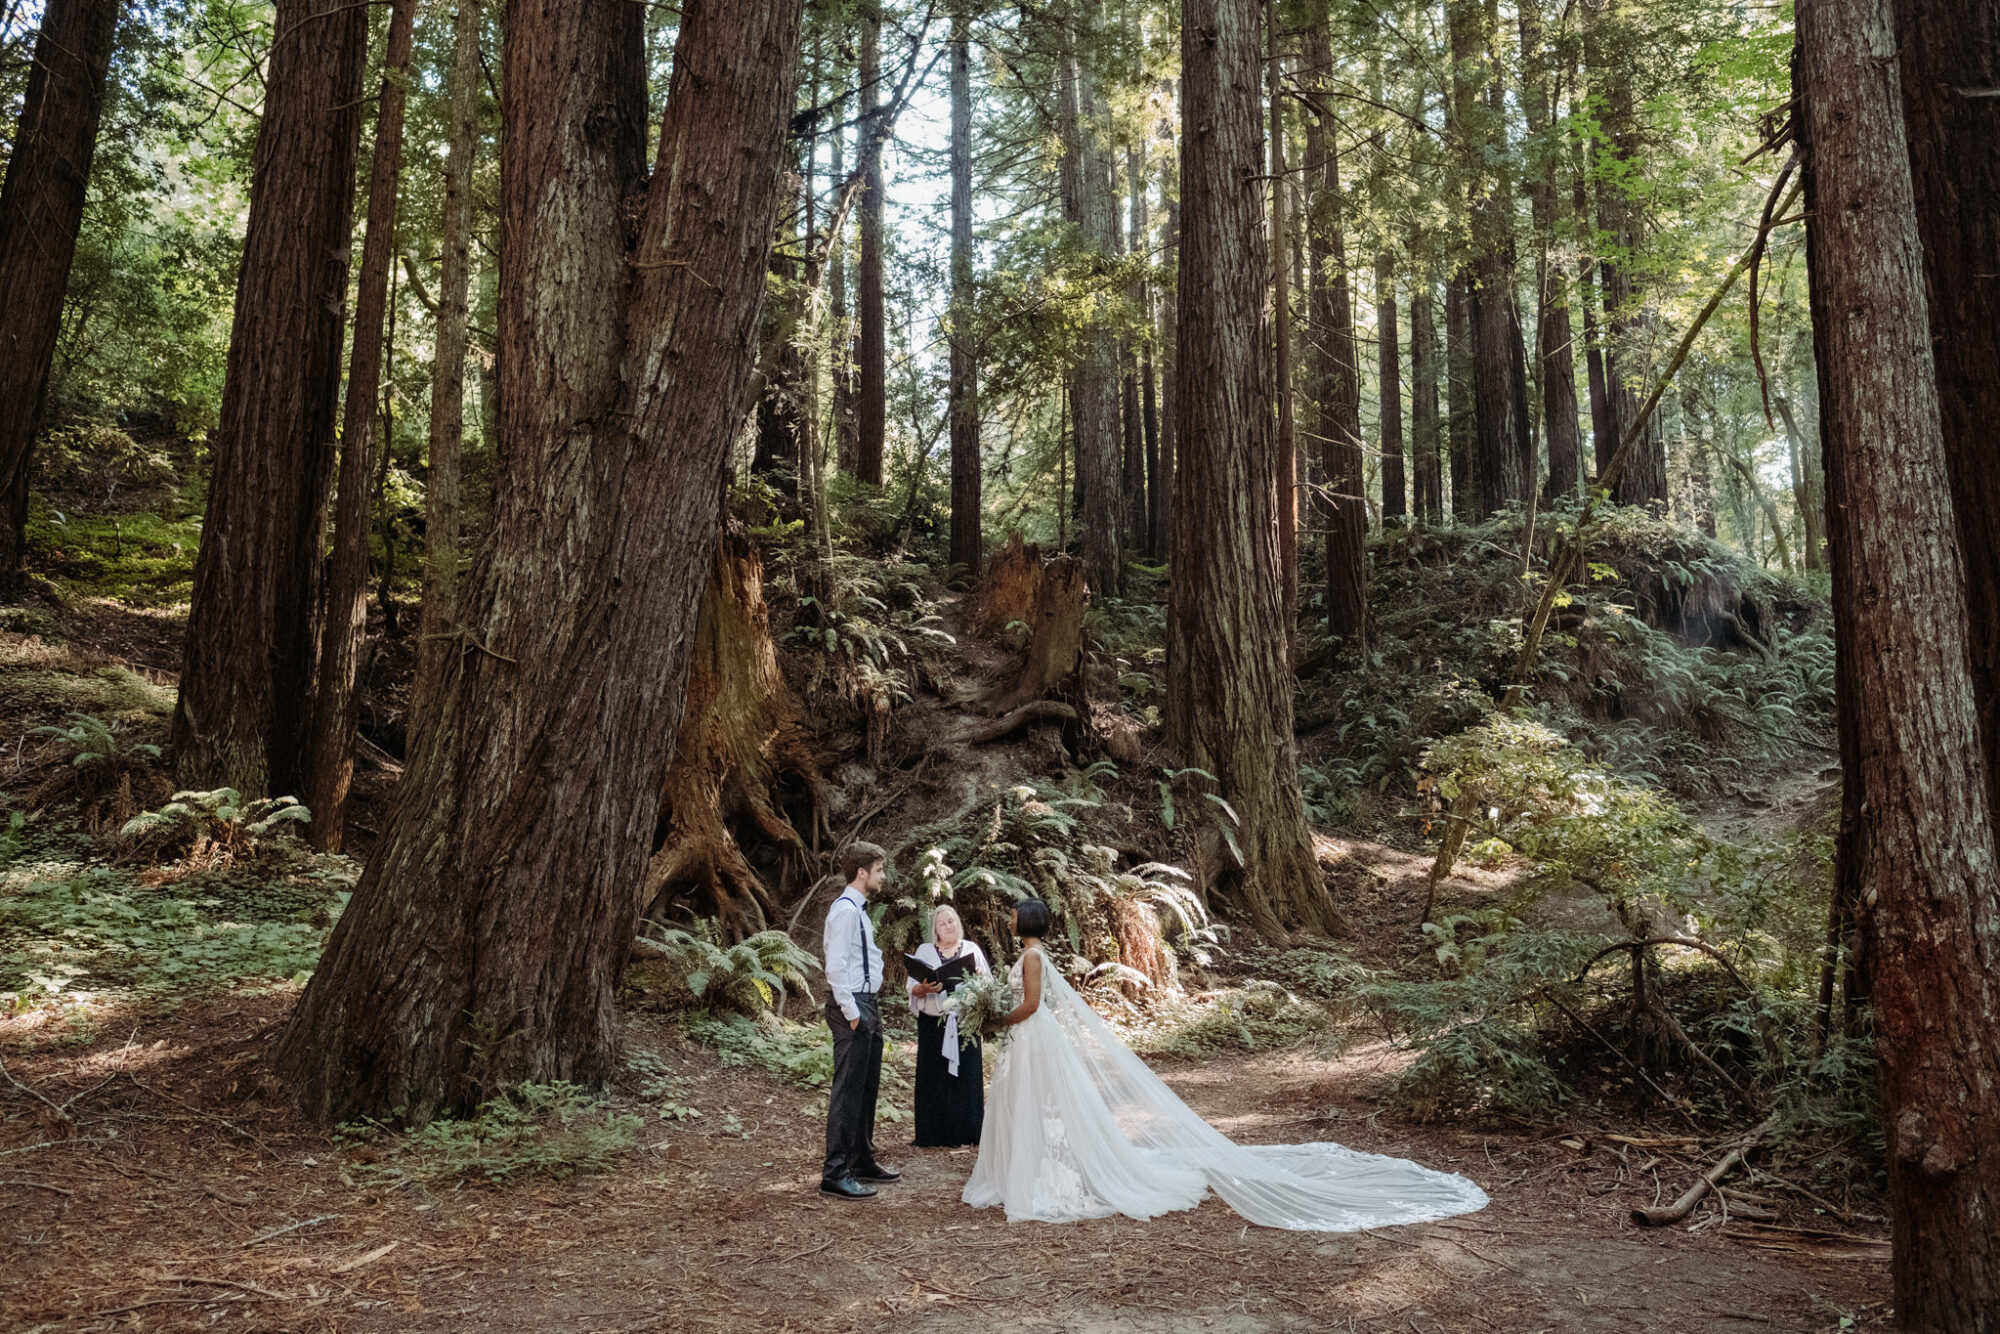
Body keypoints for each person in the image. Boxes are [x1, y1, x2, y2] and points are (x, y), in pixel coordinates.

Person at [962, 899, 1490, 1230]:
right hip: (1031, 1041)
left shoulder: (1032, 957)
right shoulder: (1035, 955)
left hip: (1030, 1037)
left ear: (1025, 921)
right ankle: (1031, 1169)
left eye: (1012, 914)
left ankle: (1045, 1176)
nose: (1008, 919)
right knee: (1036, 1107)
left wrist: (995, 1020)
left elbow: (1030, 1007)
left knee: (1040, 1105)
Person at [821, 842, 900, 1201]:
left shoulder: (860, 912)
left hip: (867, 1003)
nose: (884, 876)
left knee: (866, 1089)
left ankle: (861, 1159)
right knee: (848, 1092)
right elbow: (836, 967)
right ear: (862, 873)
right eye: (880, 870)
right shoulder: (845, 912)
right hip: (852, 1006)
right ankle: (835, 1173)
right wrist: (852, 1014)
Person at [905, 904, 991, 1148]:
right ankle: (933, 1134)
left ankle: (967, 1131)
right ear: (936, 929)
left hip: (964, 1022)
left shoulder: (971, 949)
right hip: (933, 1022)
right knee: (933, 1077)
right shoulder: (925, 950)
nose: (948, 926)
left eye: (951, 921)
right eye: (942, 923)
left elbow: (988, 984)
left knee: (966, 1076)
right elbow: (911, 985)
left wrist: (977, 978)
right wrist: (922, 989)